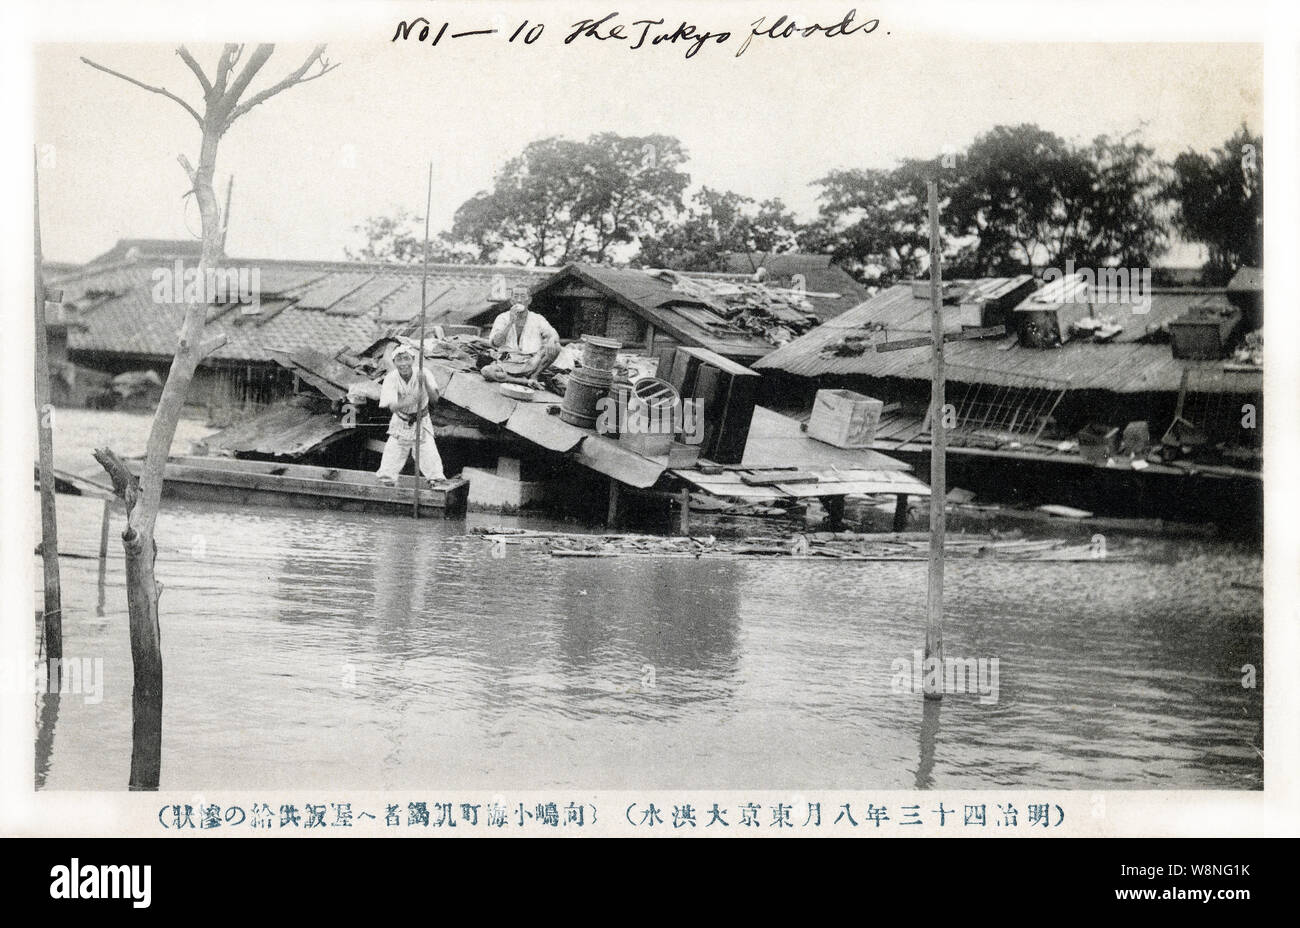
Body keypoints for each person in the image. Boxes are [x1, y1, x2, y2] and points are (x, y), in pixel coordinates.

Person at [376, 344, 445, 487]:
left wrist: (424, 382)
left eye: (407, 359)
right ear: (394, 363)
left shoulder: (424, 372)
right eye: (399, 360)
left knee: (433, 468)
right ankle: (386, 489)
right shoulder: (391, 378)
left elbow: (435, 399)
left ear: (413, 360)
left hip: (421, 422)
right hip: (400, 422)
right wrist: (413, 398)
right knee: (388, 469)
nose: (403, 364)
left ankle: (436, 487)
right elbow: (392, 406)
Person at [483, 287, 561, 385]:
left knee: (556, 346)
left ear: (529, 300)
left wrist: (552, 339)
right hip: (507, 363)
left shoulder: (537, 318)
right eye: (516, 296)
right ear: (511, 301)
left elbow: (553, 333)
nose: (519, 300)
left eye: (523, 296)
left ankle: (534, 376)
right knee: (486, 371)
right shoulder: (502, 318)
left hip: (531, 362)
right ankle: (524, 381)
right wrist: (510, 322)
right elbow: (497, 343)